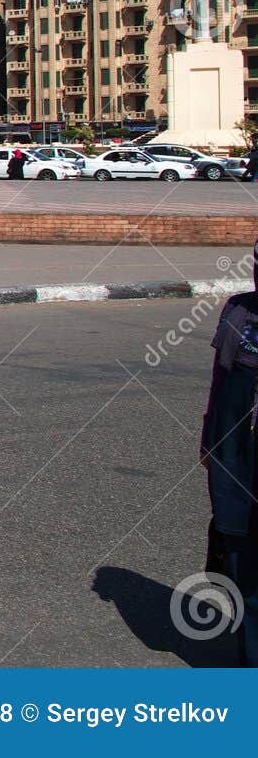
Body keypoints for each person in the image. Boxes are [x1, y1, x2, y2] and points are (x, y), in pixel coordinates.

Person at [202, 249, 258, 667]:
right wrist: (209, 439)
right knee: (243, 568)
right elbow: (220, 381)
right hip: (237, 459)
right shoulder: (238, 310)